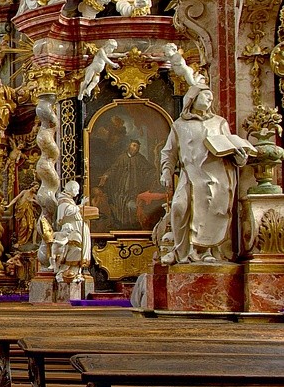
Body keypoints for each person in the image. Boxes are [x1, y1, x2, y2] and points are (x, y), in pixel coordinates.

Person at [159, 84, 251, 263]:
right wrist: (166, 171)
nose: (210, 99)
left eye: (211, 97)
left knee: (210, 213)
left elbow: (229, 147)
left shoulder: (219, 123)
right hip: (191, 174)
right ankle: (181, 252)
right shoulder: (180, 125)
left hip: (216, 176)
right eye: (206, 96)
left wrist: (240, 158)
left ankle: (205, 251)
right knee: (179, 207)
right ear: (193, 98)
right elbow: (169, 152)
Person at [98, 139, 160, 229]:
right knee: (122, 203)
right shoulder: (122, 158)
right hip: (122, 186)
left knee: (133, 204)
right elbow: (113, 168)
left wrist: (155, 171)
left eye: (137, 147)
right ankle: (123, 222)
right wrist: (106, 175)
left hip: (136, 186)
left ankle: (134, 223)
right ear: (129, 146)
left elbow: (149, 169)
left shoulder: (140, 158)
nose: (135, 148)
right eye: (134, 145)